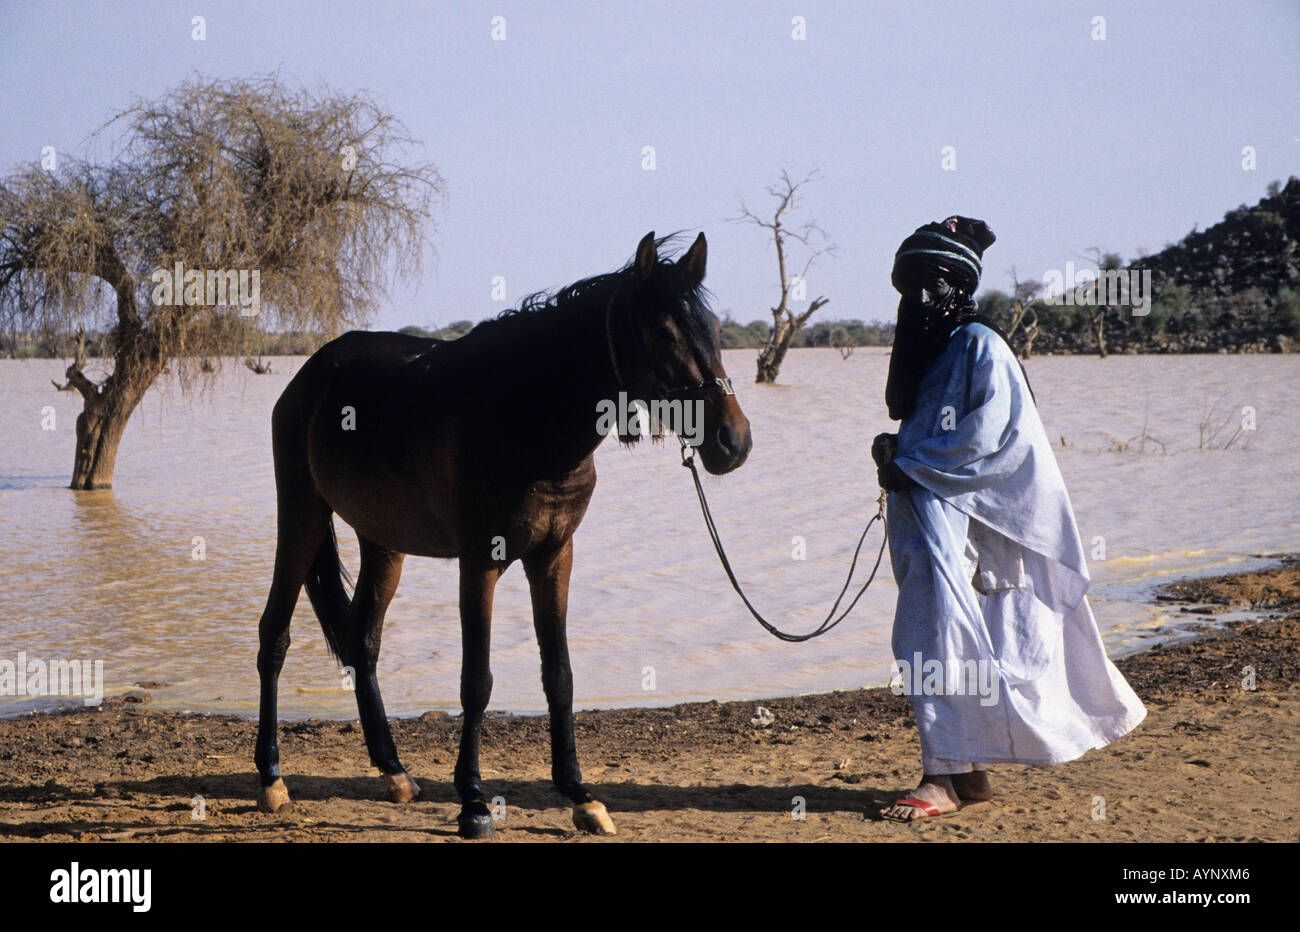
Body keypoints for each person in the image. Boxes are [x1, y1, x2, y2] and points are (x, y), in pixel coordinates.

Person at [872, 216, 1147, 822]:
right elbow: (924, 431)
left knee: (938, 642)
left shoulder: (979, 345)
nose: (918, 298)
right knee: (933, 641)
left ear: (960, 288)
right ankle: (967, 777)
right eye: (909, 285)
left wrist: (908, 466)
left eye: (931, 284)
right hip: (931, 528)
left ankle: (940, 779)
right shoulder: (934, 350)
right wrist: (895, 454)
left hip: (969, 534)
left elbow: (990, 441)